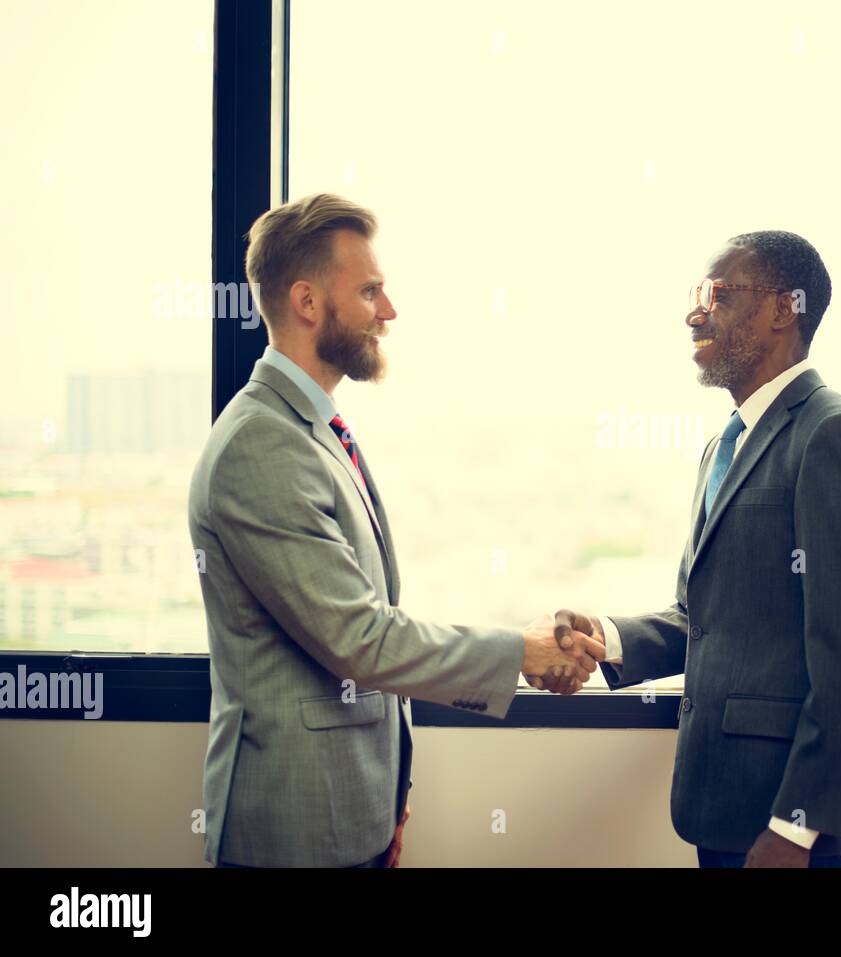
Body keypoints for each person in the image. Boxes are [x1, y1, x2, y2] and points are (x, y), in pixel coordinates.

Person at [189, 193, 602, 867]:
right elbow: (359, 638)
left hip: (351, 813)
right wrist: (520, 652)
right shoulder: (260, 446)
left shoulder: (309, 429)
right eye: (371, 291)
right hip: (296, 831)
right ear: (308, 302)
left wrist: (383, 804)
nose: (389, 311)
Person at [544, 231, 841, 867]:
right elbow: (702, 617)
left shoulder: (836, 433)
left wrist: (796, 827)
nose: (694, 312)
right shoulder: (724, 448)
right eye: (696, 296)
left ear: (781, 309)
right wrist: (607, 636)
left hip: (787, 825)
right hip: (723, 805)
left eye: (717, 294)